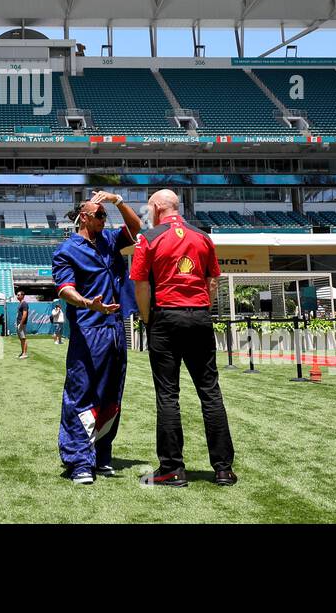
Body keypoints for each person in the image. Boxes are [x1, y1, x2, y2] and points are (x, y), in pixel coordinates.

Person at [130, 189, 235, 487]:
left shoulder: (150, 238)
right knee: (210, 392)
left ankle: (172, 469)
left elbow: (140, 285)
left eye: (149, 208)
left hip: (166, 317)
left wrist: (148, 319)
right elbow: (212, 279)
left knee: (168, 395)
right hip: (200, 315)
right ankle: (223, 469)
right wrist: (201, 309)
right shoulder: (202, 237)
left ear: (158, 207)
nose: (148, 213)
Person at [52, 190, 142, 485]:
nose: (105, 219)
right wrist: (87, 303)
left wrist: (117, 202)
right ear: (84, 218)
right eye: (100, 215)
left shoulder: (109, 240)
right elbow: (65, 289)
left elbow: (135, 228)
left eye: (106, 215)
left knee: (111, 396)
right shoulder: (66, 251)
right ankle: (79, 460)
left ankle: (102, 454)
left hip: (115, 328)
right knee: (81, 395)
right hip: (89, 330)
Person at [15, 292, 30, 359]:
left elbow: (25, 314)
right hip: (19, 323)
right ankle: (22, 352)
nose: (17, 296)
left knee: (23, 339)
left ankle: (24, 353)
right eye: (17, 295)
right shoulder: (20, 303)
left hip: (22, 324)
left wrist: (21, 324)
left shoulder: (24, 303)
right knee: (21, 339)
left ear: (23, 296)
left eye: (18, 295)